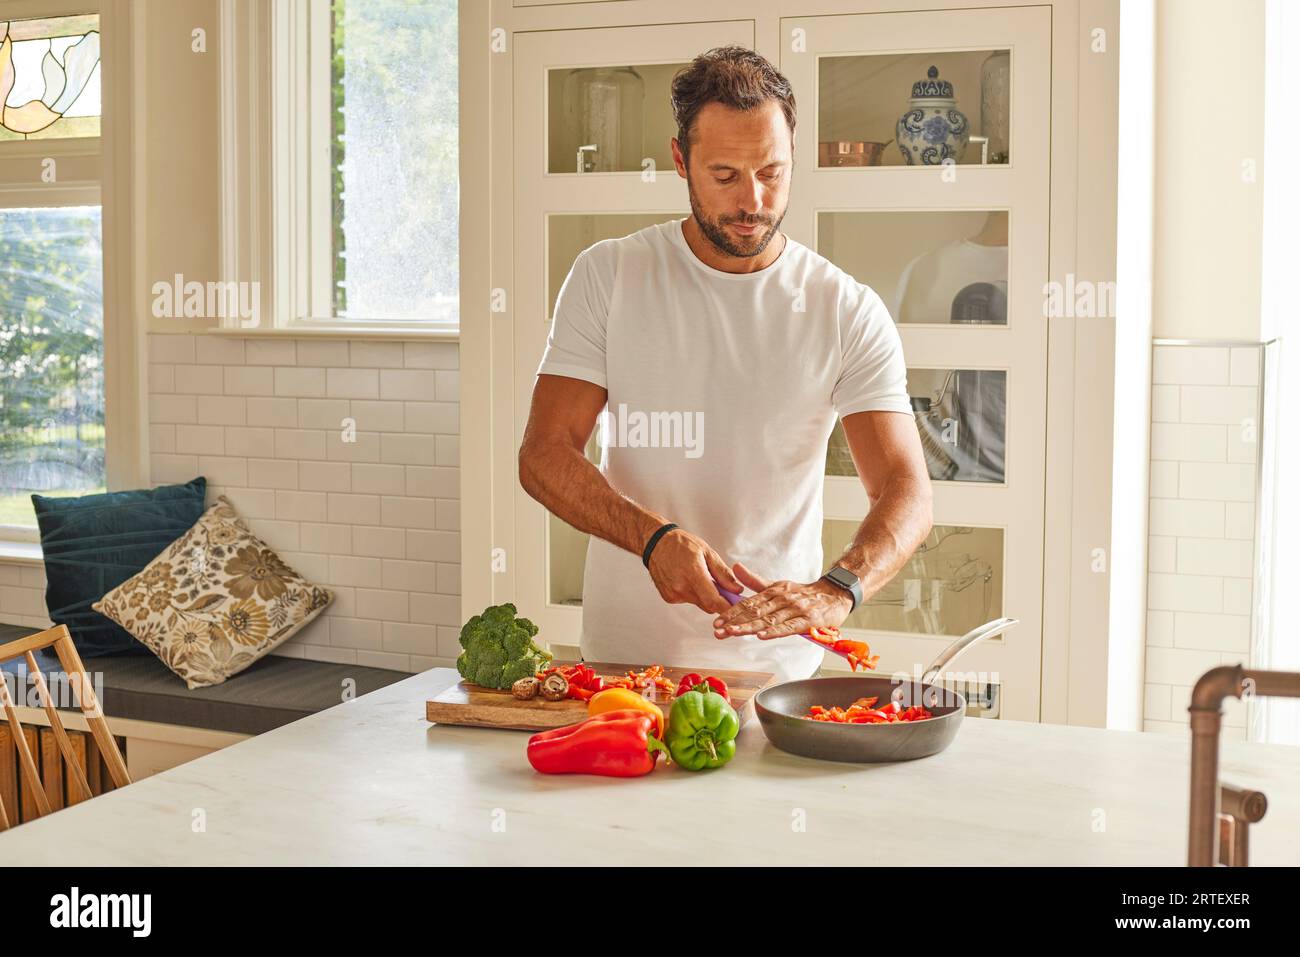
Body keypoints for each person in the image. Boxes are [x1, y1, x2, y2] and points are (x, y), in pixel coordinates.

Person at [518, 46, 933, 683]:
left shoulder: (846, 308)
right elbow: (544, 454)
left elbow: (906, 489)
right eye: (724, 175)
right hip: (628, 660)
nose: (752, 200)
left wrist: (837, 589)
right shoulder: (608, 275)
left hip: (775, 668)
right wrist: (653, 540)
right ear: (681, 160)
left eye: (772, 171)